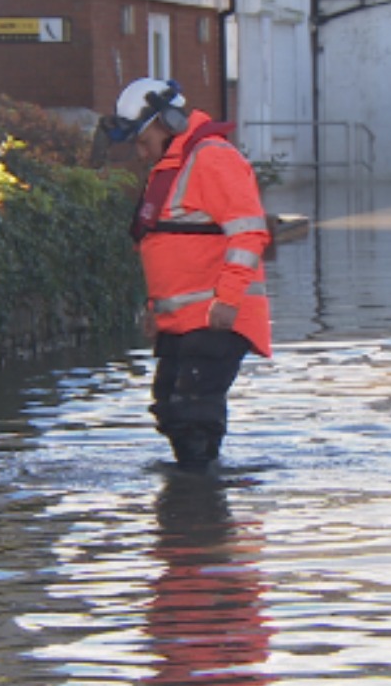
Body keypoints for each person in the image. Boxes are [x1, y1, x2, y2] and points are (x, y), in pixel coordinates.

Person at [100, 78, 272, 473]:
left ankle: (202, 509)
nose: (141, 153)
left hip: (216, 316)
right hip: (183, 320)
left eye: (143, 141)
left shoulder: (212, 159)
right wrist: (154, 309)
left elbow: (248, 233)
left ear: (168, 122)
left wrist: (228, 299)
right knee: (171, 404)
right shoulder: (174, 165)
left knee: (191, 408)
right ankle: (198, 503)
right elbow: (166, 246)